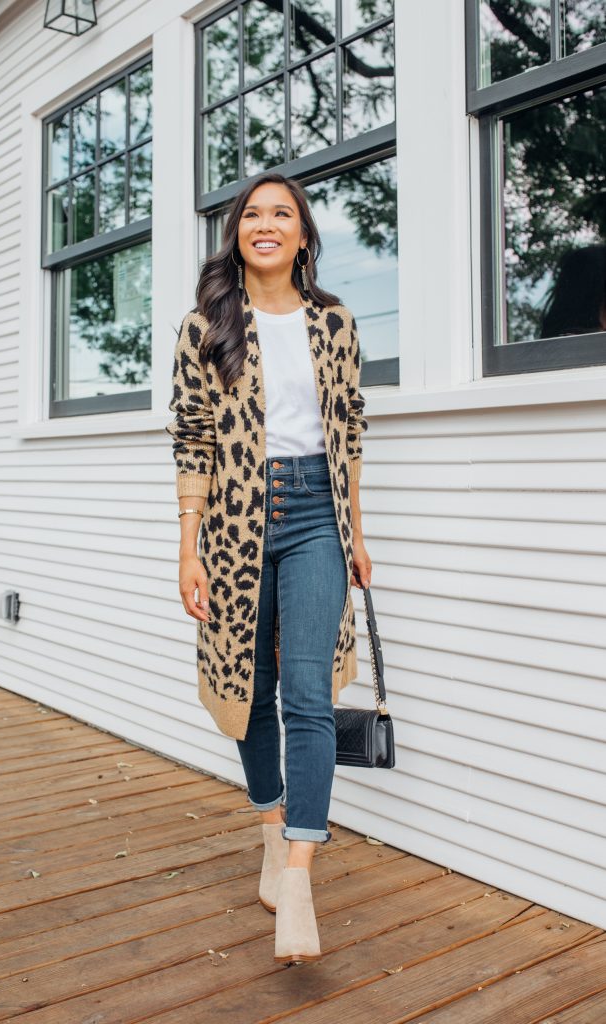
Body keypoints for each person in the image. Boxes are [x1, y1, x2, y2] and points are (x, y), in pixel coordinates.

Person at [166, 171, 371, 963]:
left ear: (301, 234)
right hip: (232, 521)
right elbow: (192, 437)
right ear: (236, 234)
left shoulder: (334, 322)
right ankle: (268, 821)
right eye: (252, 213)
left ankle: (299, 876)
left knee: (308, 695)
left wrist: (356, 527)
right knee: (248, 690)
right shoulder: (205, 325)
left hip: (318, 512)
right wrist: (188, 544)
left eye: (281, 213)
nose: (265, 224)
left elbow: (350, 426)